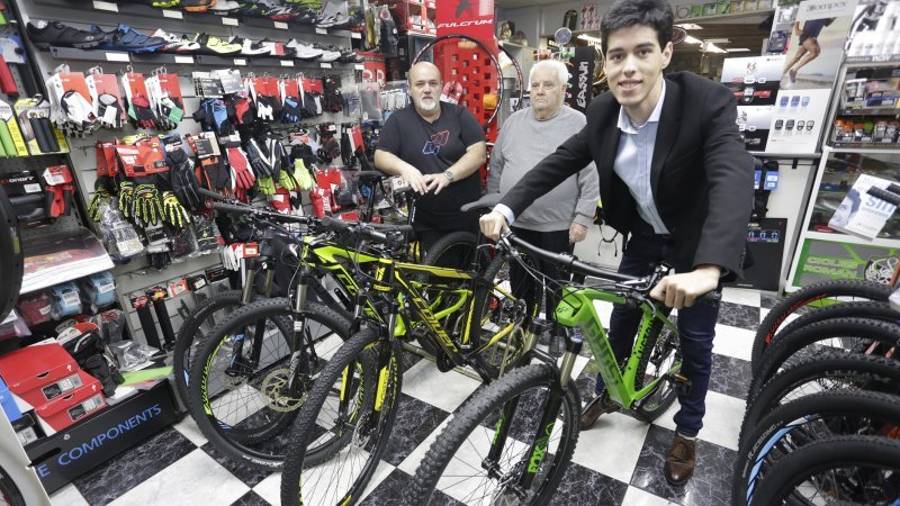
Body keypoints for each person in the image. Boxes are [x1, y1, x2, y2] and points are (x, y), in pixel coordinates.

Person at [479, 0, 753, 486]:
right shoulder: (603, 112)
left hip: (694, 244)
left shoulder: (706, 103)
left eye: (642, 52)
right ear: (604, 63)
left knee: (696, 343)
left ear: (666, 53)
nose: (628, 67)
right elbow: (556, 164)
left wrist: (708, 270)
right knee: (621, 323)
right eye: (616, 55)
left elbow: (734, 178)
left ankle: (687, 430)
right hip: (645, 235)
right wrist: (505, 207)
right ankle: (611, 391)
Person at [487, 59, 599, 352]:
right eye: (535, 85)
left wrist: (583, 217)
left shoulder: (579, 123)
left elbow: (591, 173)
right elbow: (497, 167)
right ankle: (523, 329)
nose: (539, 91)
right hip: (518, 223)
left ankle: (559, 332)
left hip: (558, 225)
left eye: (548, 85)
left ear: (563, 89)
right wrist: (496, 206)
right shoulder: (513, 122)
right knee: (521, 281)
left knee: (557, 283)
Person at [374, 61, 487, 258]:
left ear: (441, 86)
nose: (427, 89)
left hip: (466, 216)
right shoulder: (398, 121)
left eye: (433, 83)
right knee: (437, 279)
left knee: (472, 279)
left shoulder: (459, 114)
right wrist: (405, 168)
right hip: (429, 221)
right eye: (420, 84)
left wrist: (448, 175)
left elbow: (478, 154)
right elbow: (381, 156)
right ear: (409, 89)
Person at [785, 17, 835, 83]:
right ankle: (793, 71)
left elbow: (826, 23)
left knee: (797, 58)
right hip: (806, 34)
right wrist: (797, 29)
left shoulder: (826, 13)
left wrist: (833, 18)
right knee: (815, 51)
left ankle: (781, 74)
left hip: (812, 37)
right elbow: (800, 15)